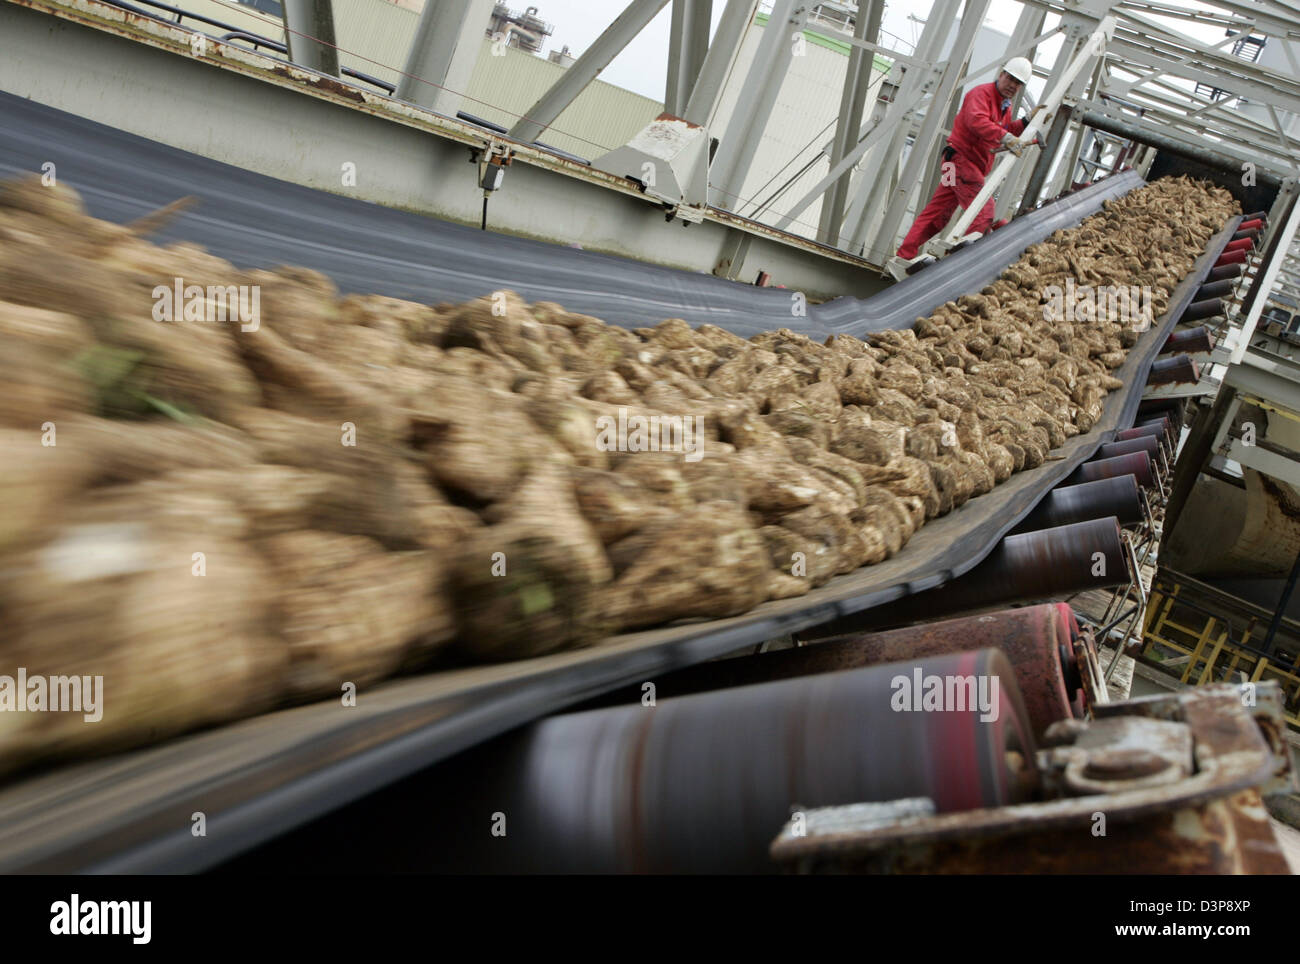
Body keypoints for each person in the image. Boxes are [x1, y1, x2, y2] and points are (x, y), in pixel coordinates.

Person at [896, 57, 1042, 261]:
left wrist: (1025, 122)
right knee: (983, 213)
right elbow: (977, 121)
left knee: (938, 214)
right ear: (1001, 74)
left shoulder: (1004, 106)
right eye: (1010, 79)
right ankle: (961, 262)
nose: (1012, 85)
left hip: (957, 164)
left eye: (1018, 83)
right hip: (962, 162)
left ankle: (904, 255)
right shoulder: (981, 94)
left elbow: (1003, 129)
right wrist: (1006, 137)